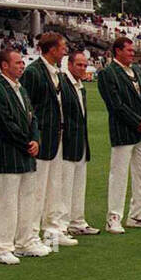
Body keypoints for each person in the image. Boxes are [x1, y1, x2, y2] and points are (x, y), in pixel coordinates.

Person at [0, 46, 42, 263]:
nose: (22, 66)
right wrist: (27, 142)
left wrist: (36, 139)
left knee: (27, 199)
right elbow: (4, 124)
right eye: (17, 63)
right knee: (7, 202)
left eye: (22, 62)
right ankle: (3, 247)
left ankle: (24, 241)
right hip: (7, 155)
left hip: (26, 155)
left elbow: (32, 117)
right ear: (4, 65)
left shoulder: (21, 89)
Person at [95, 36, 141, 233]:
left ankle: (137, 214)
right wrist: (138, 121)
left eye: (132, 51)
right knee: (119, 176)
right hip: (124, 130)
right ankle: (113, 217)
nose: (132, 54)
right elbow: (115, 104)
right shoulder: (108, 73)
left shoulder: (138, 70)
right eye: (129, 50)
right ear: (118, 51)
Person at [20, 32, 73, 247]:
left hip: (57, 136)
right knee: (37, 190)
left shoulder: (57, 72)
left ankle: (52, 232)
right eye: (62, 48)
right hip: (41, 137)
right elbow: (27, 105)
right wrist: (33, 135)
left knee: (54, 187)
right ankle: (31, 234)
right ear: (51, 49)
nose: (65, 51)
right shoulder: (34, 72)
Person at [60, 49, 96, 236]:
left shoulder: (79, 86)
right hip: (67, 143)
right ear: (69, 65)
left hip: (81, 142)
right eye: (79, 65)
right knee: (65, 186)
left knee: (79, 184)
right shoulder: (64, 84)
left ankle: (77, 221)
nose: (82, 68)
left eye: (84, 65)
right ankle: (63, 225)